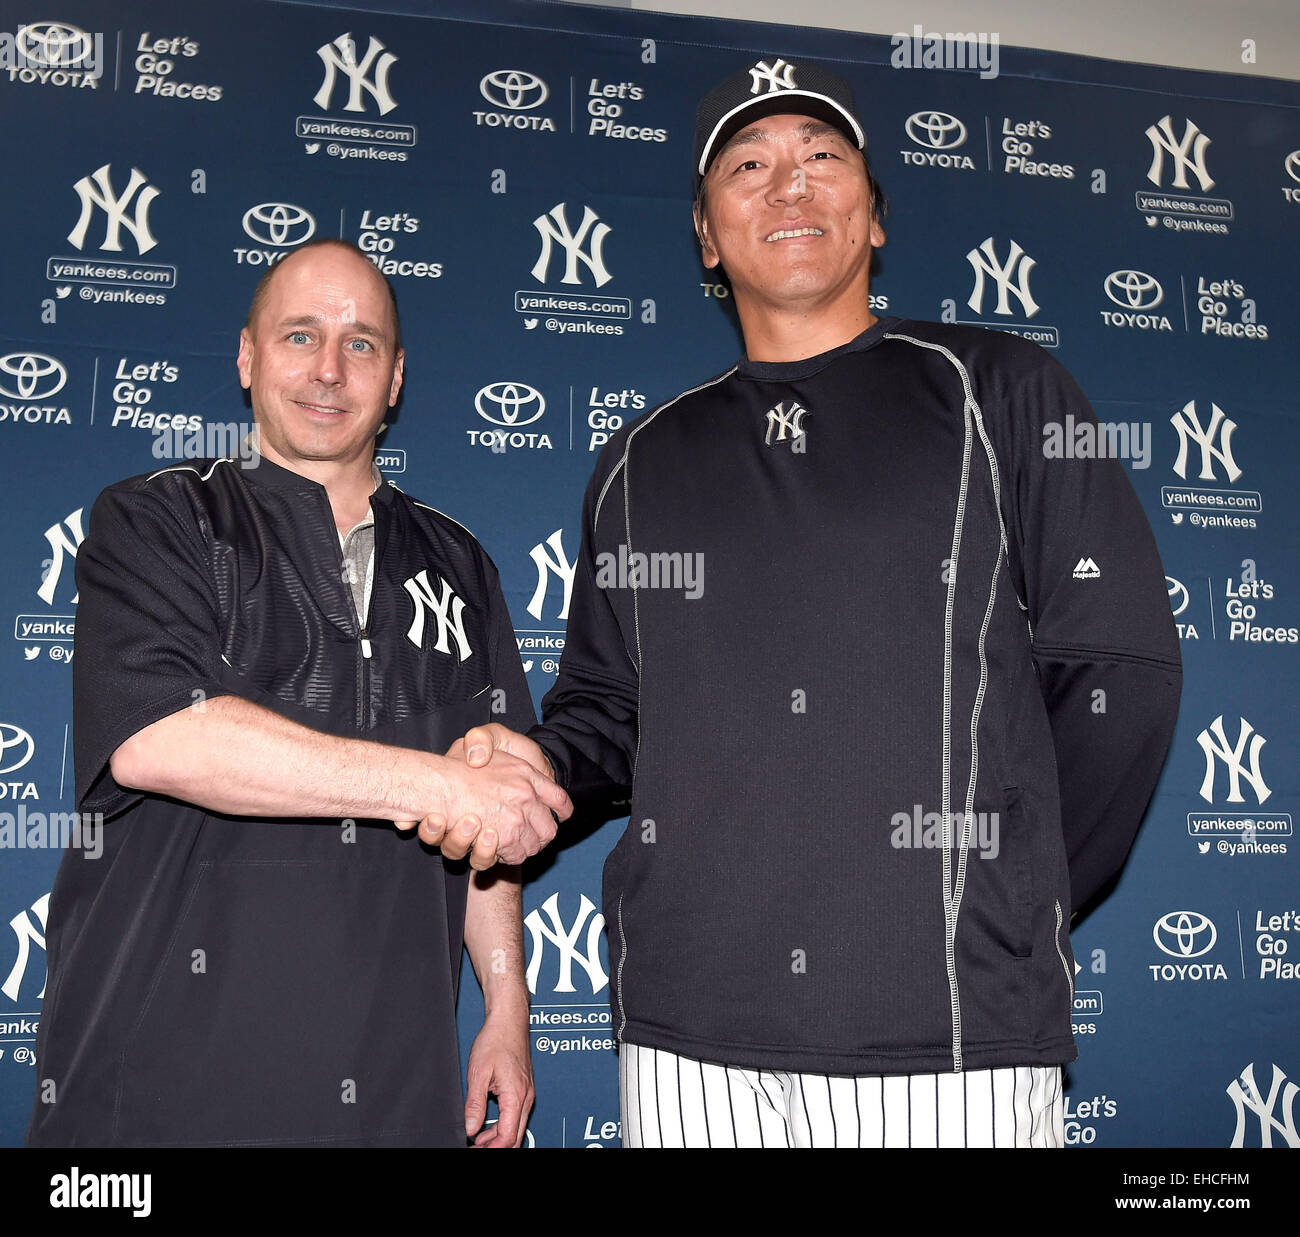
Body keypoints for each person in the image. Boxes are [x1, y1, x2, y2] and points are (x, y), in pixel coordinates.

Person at [451, 61, 1181, 1147]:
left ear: (873, 216)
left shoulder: (1001, 389)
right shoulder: (640, 461)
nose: (787, 186)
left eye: (820, 159)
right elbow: (609, 709)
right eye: (748, 166)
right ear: (706, 237)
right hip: (684, 1028)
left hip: (944, 1027)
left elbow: (1117, 671)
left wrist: (1006, 897)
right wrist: (536, 765)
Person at [26, 238, 570, 1148]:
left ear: (395, 377)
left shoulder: (461, 561)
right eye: (299, 336)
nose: (328, 369)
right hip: (157, 1088)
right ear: (246, 358)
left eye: (361, 344)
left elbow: (492, 811)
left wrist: (508, 1007)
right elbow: (161, 735)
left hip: (393, 1085)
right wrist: (433, 784)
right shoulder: (159, 515)